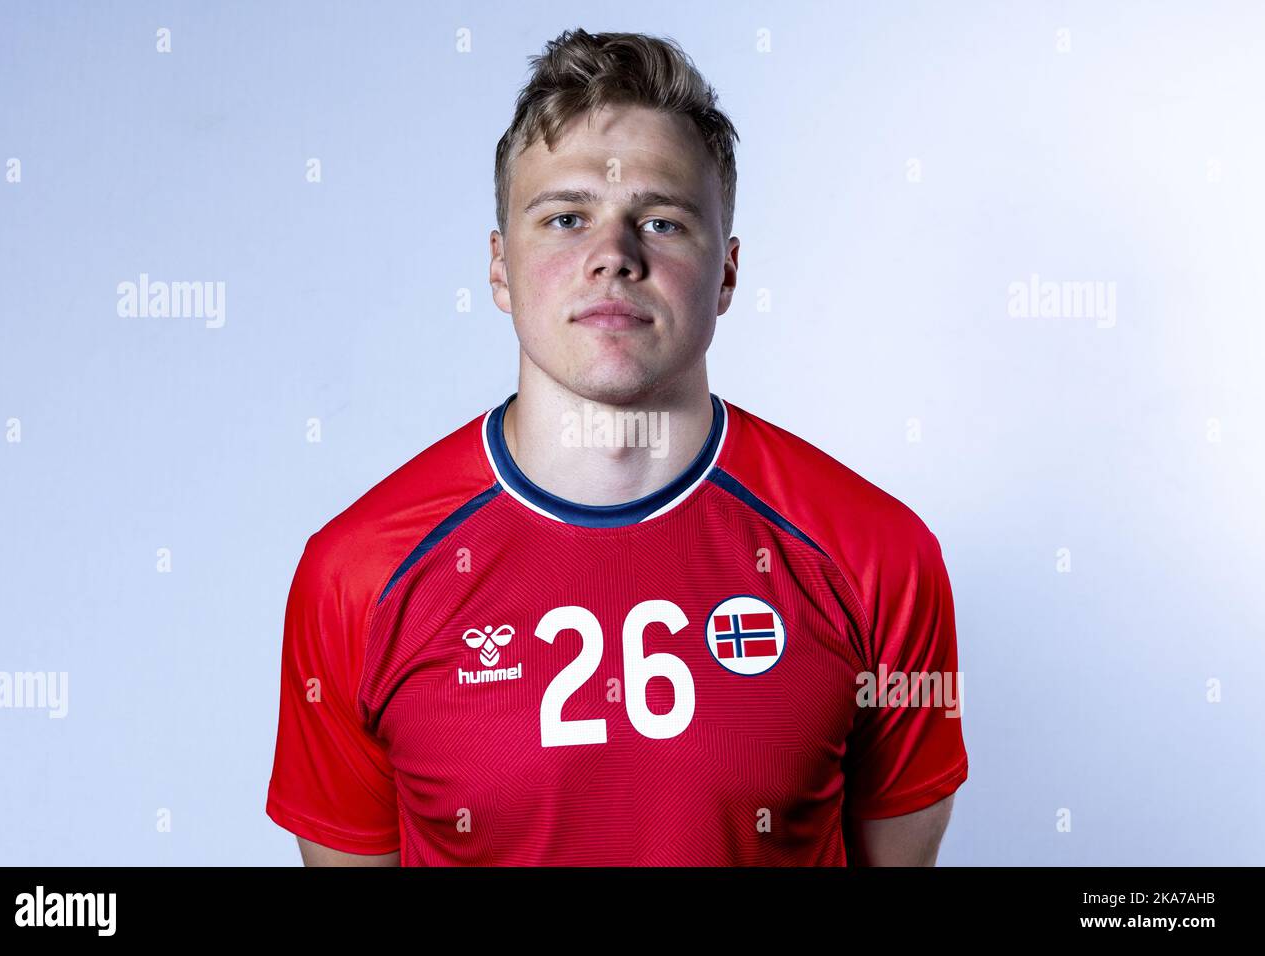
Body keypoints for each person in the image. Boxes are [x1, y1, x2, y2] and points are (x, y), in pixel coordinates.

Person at [266, 27, 967, 866]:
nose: (613, 257)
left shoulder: (878, 559)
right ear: (499, 267)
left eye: (662, 222)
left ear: (729, 273)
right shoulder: (356, 577)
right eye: (566, 218)